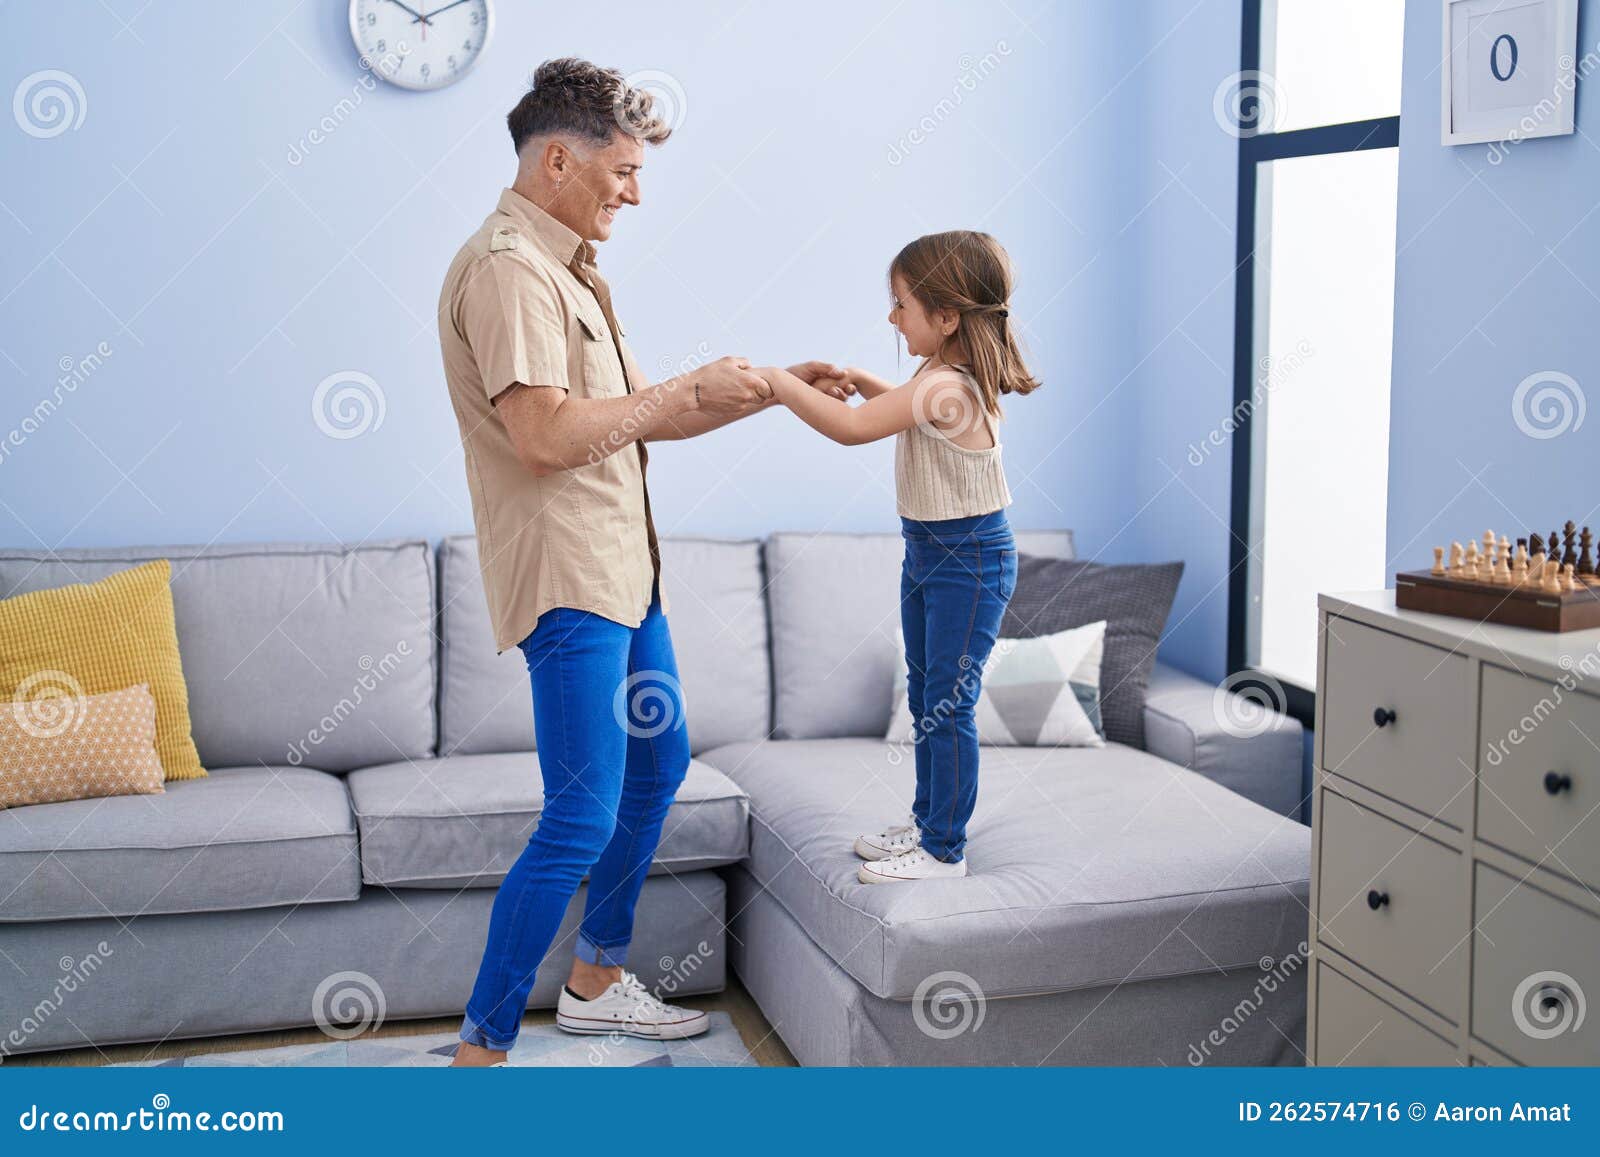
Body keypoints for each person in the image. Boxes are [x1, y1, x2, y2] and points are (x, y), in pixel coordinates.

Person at [436, 57, 847, 1067]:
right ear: (561, 160)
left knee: (659, 763)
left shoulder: (571, 268)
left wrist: (773, 387)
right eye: (622, 171)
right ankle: (478, 1054)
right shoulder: (508, 269)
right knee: (580, 815)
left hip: (625, 572)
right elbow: (542, 435)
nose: (635, 190)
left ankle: (594, 979)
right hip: (571, 581)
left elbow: (628, 424)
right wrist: (682, 390)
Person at [757, 229, 1040, 883]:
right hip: (931, 552)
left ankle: (945, 850)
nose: (891, 317)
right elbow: (906, 410)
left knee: (948, 703)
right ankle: (928, 820)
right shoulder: (939, 378)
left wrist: (777, 383)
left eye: (901, 305)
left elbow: (856, 428)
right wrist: (864, 380)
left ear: (946, 317)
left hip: (969, 559)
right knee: (926, 697)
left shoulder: (945, 386)